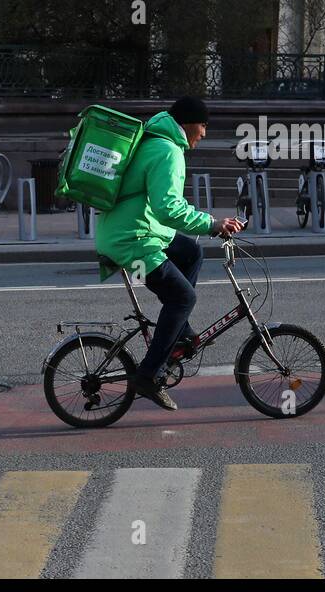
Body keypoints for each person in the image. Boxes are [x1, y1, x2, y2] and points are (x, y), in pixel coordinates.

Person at [94, 96, 243, 411]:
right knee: (182, 298)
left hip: (133, 232)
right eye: (203, 125)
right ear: (189, 123)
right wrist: (212, 223)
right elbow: (168, 209)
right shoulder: (167, 151)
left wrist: (207, 228)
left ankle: (179, 332)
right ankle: (148, 375)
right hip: (129, 243)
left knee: (191, 252)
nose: (204, 133)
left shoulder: (155, 140)